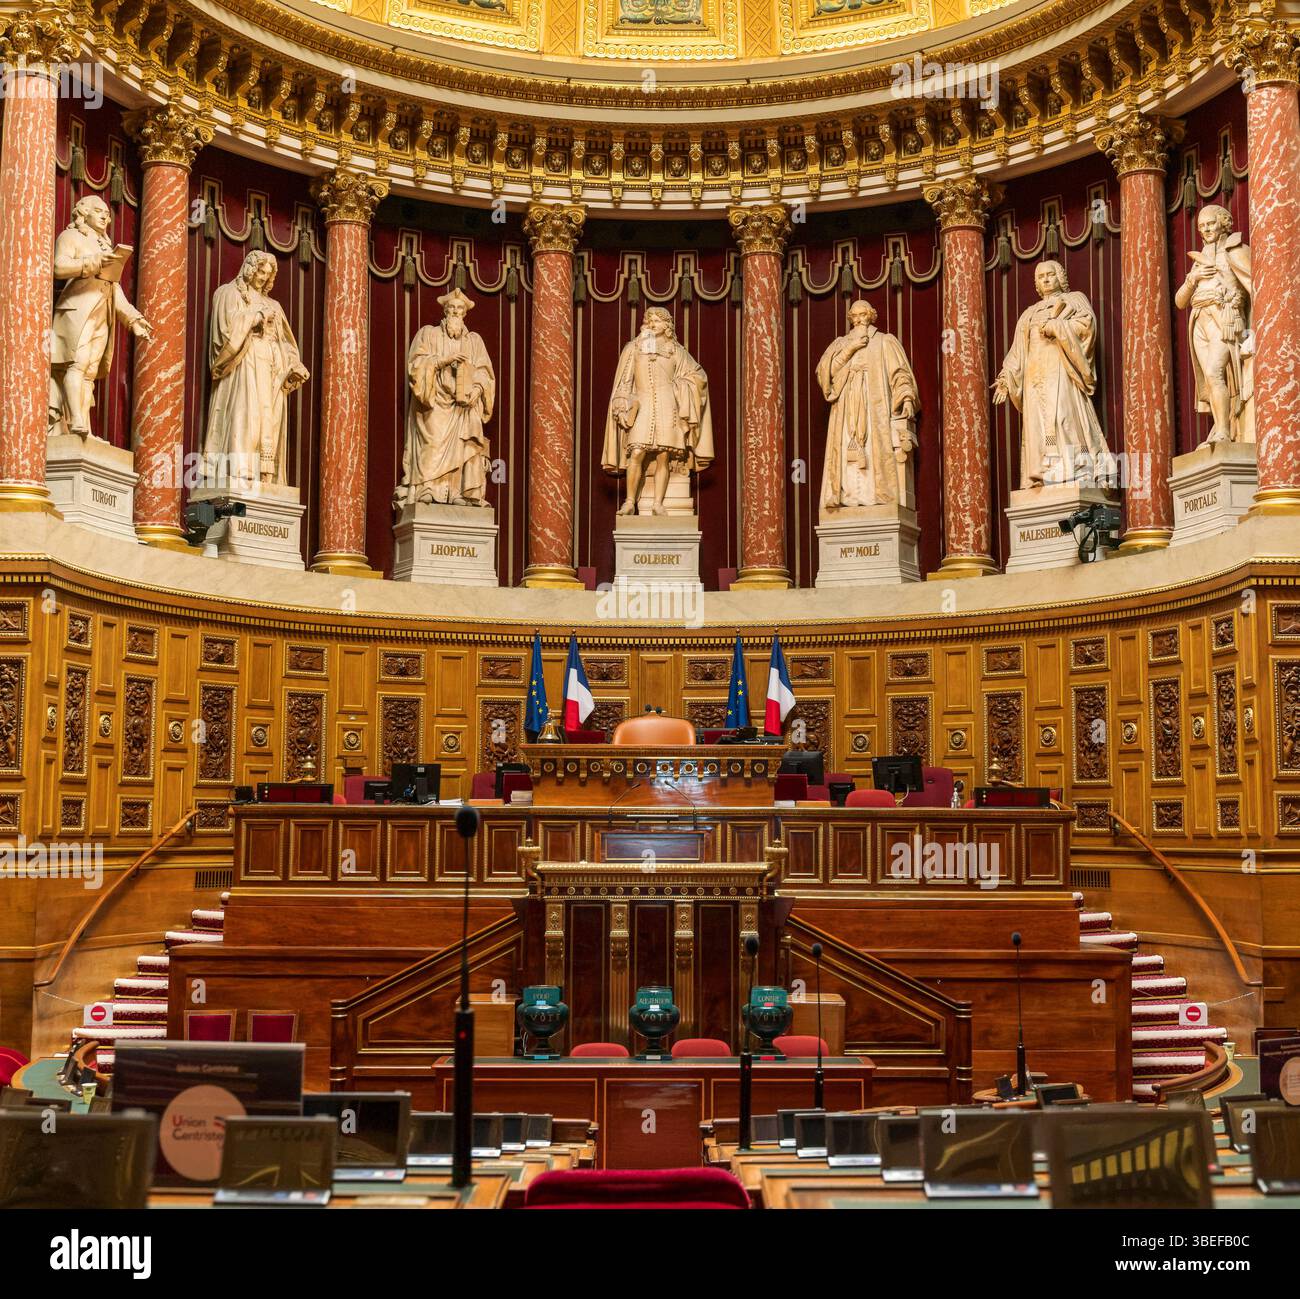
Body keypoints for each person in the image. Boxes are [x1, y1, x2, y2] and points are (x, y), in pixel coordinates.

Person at [993, 260, 1112, 488]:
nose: (1046, 280)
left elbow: (1087, 328)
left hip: (1062, 369)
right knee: (1038, 424)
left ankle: (1076, 470)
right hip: (1034, 376)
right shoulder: (1029, 314)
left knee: (1063, 417)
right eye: (1041, 277)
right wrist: (1005, 380)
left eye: (1050, 274)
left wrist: (1056, 327)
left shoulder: (1074, 300)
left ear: (1060, 277)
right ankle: (1043, 473)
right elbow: (1018, 351)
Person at [201, 251, 308, 487]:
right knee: (245, 416)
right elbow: (224, 336)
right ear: (250, 269)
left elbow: (286, 343)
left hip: (271, 372)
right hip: (244, 366)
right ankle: (239, 471)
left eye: (267, 275)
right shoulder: (229, 294)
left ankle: (265, 476)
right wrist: (256, 316)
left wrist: (293, 363)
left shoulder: (274, 305)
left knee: (267, 423)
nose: (262, 278)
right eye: (260, 271)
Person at [49, 195, 152, 439]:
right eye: (99, 211)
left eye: (107, 212)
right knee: (77, 363)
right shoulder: (71, 237)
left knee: (90, 373)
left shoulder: (105, 245)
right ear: (83, 213)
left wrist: (133, 320)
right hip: (77, 310)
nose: (105, 216)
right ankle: (75, 420)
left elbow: (114, 288)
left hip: (101, 313)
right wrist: (93, 262)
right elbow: (58, 267)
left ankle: (83, 425)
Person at [601, 307, 713, 516]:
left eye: (658, 321)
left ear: (667, 325)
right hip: (642, 405)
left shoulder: (676, 350)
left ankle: (658, 503)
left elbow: (699, 376)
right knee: (636, 452)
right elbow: (624, 381)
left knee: (664, 456)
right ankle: (630, 501)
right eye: (649, 320)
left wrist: (681, 386)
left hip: (667, 405)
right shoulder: (633, 348)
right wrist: (620, 402)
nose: (653, 324)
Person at [393, 287, 495, 509]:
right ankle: (427, 487)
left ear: (465, 313)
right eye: (452, 308)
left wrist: (476, 391)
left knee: (463, 444)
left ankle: (457, 490)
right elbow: (416, 365)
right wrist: (443, 361)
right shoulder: (428, 334)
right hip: (434, 402)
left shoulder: (474, 341)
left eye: (460, 309)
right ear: (445, 311)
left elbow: (485, 373)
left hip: (463, 407)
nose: (456, 312)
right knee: (432, 441)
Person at [816, 299, 919, 511]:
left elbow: (900, 374)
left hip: (874, 406)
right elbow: (826, 372)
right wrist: (850, 348)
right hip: (846, 408)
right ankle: (849, 495)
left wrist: (906, 398)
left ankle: (874, 494)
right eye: (853, 317)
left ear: (871, 316)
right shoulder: (841, 344)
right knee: (846, 450)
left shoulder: (884, 342)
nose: (858, 321)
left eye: (862, 315)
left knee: (874, 450)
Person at [1175, 203, 1253, 445]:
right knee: (1209, 379)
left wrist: (1255, 330)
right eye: (1201, 226)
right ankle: (1221, 427)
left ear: (1224, 223)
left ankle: (1224, 432)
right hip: (1199, 319)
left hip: (1225, 318)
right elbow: (1179, 302)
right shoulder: (1200, 260)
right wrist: (1192, 279)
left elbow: (1254, 287)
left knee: (1213, 371)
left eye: (1210, 223)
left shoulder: (1236, 249)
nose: (1205, 229)